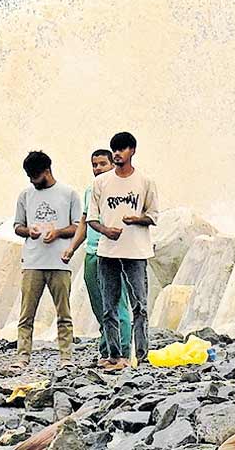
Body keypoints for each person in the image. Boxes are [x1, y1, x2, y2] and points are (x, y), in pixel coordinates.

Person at [86, 132, 159, 371]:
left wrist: (137, 219)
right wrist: (106, 231)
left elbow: (153, 215)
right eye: (114, 149)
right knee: (110, 306)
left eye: (122, 149)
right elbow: (92, 219)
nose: (117, 153)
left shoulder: (145, 182)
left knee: (139, 306)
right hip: (108, 251)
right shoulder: (101, 183)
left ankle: (142, 355)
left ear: (132, 151)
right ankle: (115, 355)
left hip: (136, 252)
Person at [62, 149, 133, 366]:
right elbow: (84, 222)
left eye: (103, 164)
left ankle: (122, 354)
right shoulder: (90, 190)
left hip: (113, 254)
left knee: (117, 305)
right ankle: (107, 352)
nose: (98, 168)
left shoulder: (123, 190)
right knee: (99, 305)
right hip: (92, 253)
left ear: (113, 164)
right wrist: (72, 248)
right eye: (94, 165)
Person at [13, 150, 81, 367]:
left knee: (63, 314)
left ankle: (66, 357)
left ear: (47, 171)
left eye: (36, 176)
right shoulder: (25, 195)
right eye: (30, 178)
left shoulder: (69, 194)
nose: (33, 181)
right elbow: (17, 226)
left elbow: (78, 227)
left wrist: (58, 233)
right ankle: (23, 357)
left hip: (59, 261)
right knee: (26, 315)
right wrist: (28, 231)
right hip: (32, 261)